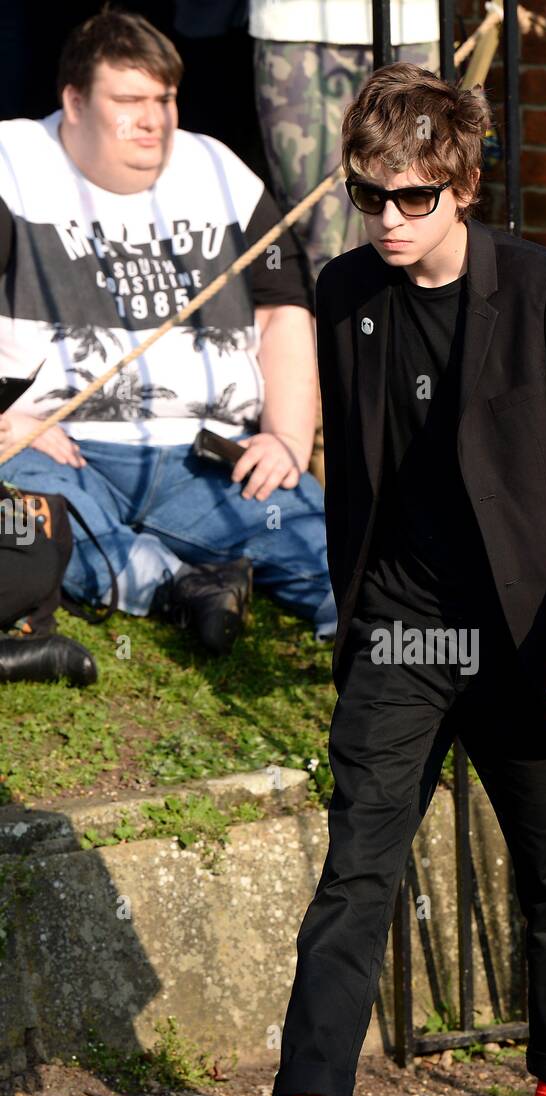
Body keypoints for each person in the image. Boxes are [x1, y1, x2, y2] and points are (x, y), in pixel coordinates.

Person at [170, 62, 546, 1096]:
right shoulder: (347, 291)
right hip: (401, 631)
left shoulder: (541, 294)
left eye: (412, 198)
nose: (387, 219)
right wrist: (288, 446)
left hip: (534, 638)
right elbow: (313, 384)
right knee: (356, 875)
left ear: (462, 185)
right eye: (366, 194)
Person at [0, 7, 336, 654]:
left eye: (165, 98)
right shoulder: (14, 166)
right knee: (26, 521)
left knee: (322, 549)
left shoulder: (218, 172)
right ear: (73, 101)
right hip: (58, 451)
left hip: (204, 454)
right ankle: (176, 587)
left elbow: (282, 309)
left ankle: (393, 646)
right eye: (128, 100)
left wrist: (288, 439)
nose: (154, 120)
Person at [250, 0, 441, 282]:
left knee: (412, 203)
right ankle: (332, 322)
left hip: (408, 24)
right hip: (297, 23)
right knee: (315, 224)